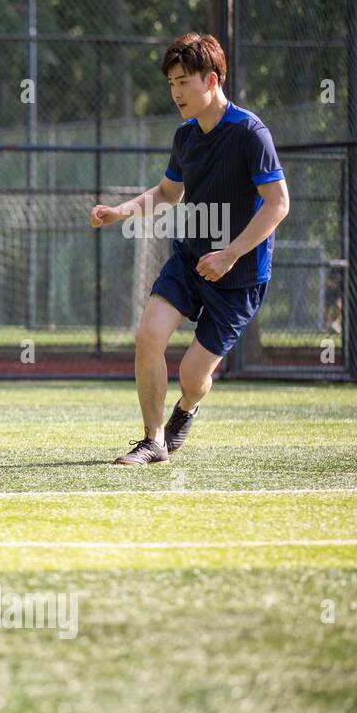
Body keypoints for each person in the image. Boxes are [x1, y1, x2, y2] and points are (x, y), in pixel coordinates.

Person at [90, 33, 290, 465]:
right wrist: (120, 213)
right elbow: (167, 193)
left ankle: (188, 407)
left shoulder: (250, 134)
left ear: (212, 80)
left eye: (183, 82)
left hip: (239, 276)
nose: (176, 92)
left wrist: (231, 253)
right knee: (148, 337)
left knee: (193, 376)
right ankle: (153, 441)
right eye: (171, 84)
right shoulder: (185, 137)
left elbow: (279, 204)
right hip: (190, 259)